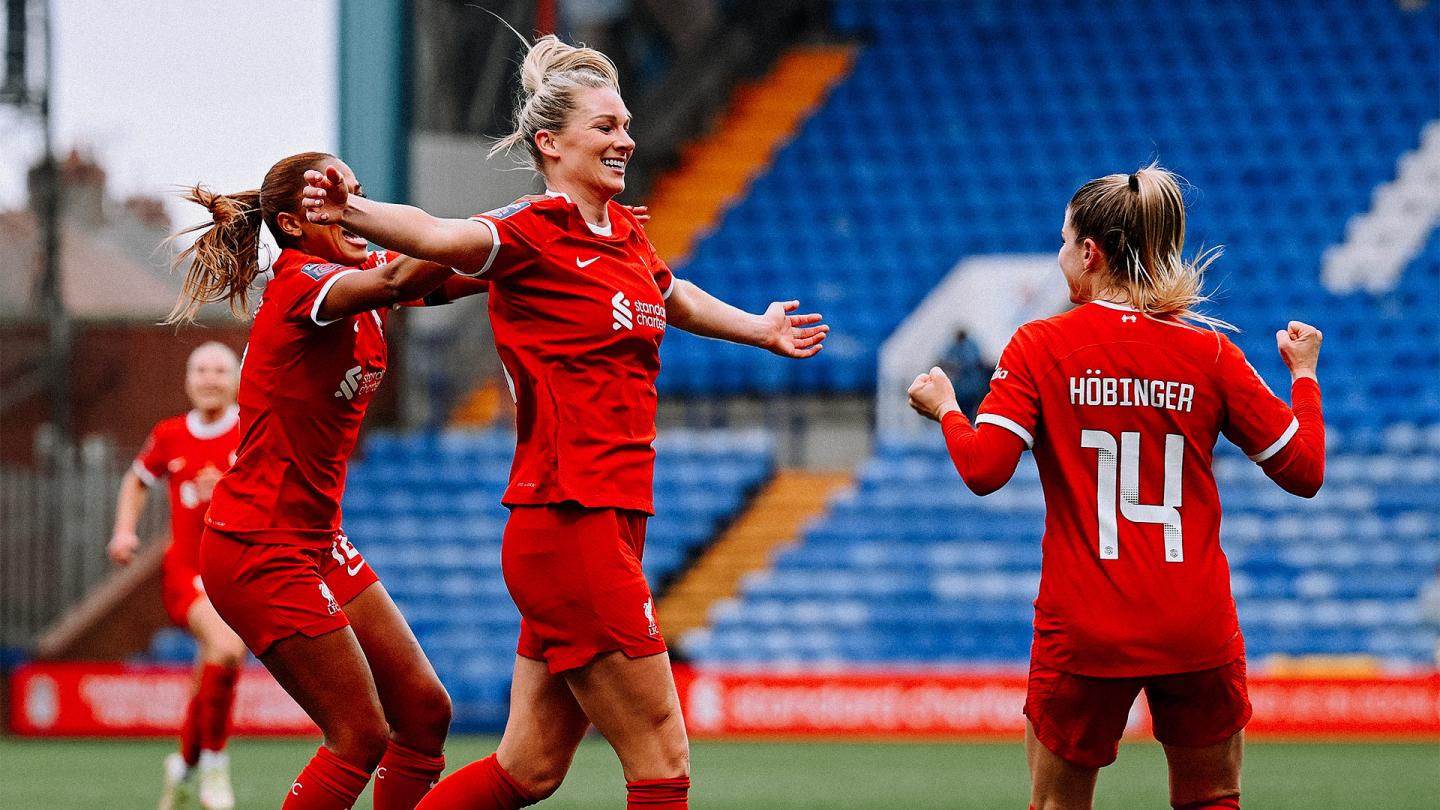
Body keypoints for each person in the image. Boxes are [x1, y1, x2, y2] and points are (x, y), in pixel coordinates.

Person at [301, 34, 828, 810]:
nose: (627, 139)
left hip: (610, 520)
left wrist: (759, 328)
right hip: (567, 517)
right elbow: (439, 235)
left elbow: (670, 295)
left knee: (531, 767)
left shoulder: (626, 235)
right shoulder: (530, 231)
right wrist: (356, 211)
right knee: (662, 754)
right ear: (550, 143)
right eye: (607, 126)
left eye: (625, 124)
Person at [907, 165, 1325, 810]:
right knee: (1213, 798)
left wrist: (947, 409)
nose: (1059, 255)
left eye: (1064, 241)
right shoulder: (1212, 354)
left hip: (1086, 626)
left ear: (1090, 252)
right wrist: (1303, 377)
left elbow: (984, 470)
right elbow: (1304, 472)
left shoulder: (1040, 345)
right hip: (1195, 623)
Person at [167, 151, 492, 810]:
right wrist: (519, 228)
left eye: (358, 193)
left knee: (426, 715)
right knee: (359, 734)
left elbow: (445, 275)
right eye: (335, 198)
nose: (356, 209)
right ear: (290, 224)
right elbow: (405, 278)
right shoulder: (301, 284)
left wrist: (535, 249)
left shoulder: (355, 270)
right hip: (258, 544)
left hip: (315, 538)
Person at [108, 341, 245, 810]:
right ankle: (213, 768)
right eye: (201, 370)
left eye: (220, 370)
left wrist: (228, 488)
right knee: (227, 650)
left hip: (240, 575)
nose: (210, 378)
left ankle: (183, 766)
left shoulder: (251, 432)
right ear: (187, 380)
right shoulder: (169, 434)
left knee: (210, 672)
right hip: (188, 574)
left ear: (236, 381)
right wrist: (125, 532)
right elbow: (136, 479)